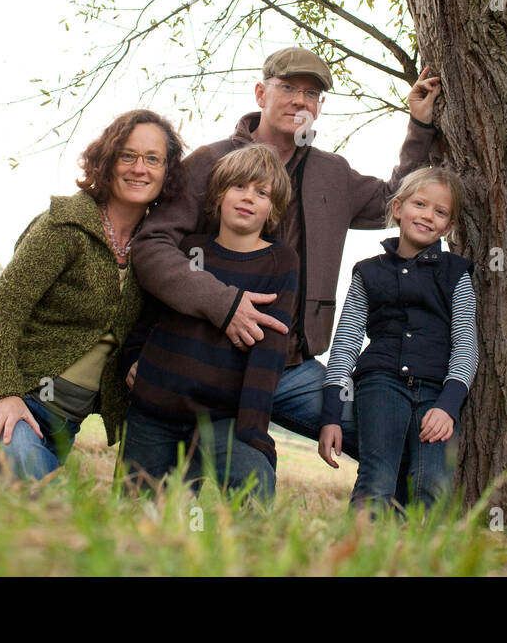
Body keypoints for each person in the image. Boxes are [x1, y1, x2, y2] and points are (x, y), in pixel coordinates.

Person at [130, 46, 442, 464]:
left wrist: (419, 125)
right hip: (202, 358)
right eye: (289, 88)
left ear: (320, 107)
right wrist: (223, 304)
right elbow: (152, 247)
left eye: (311, 94)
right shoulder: (210, 161)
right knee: (178, 485)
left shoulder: (332, 173)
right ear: (261, 93)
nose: (300, 101)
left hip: (290, 368)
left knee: (388, 434)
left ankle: (397, 524)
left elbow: (395, 199)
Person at [0, 109, 185, 480]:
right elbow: (1, 309)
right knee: (44, 504)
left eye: (153, 159)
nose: (140, 168)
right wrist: (4, 393)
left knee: (13, 520)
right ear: (108, 160)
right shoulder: (66, 224)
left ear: (167, 172)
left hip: (60, 426)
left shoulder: (153, 249)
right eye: (128, 155)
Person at [121, 145, 297, 500]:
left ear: (273, 208)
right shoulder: (189, 248)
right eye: (238, 187)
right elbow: (148, 312)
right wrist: (131, 358)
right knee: (136, 510)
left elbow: (271, 350)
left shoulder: (280, 262)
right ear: (218, 195)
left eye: (261, 192)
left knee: (254, 484)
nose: (248, 198)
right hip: (153, 407)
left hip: (221, 419)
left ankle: (246, 550)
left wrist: (254, 430)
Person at [317, 167, 477, 512]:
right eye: (420, 204)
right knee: (378, 477)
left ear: (448, 227)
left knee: (432, 483)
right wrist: (331, 413)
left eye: (440, 212)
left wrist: (449, 405)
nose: (428, 216)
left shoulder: (456, 273)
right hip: (381, 383)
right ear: (398, 208)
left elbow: (466, 343)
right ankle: (361, 554)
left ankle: (418, 560)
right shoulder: (368, 272)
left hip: (437, 391)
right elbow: (345, 343)